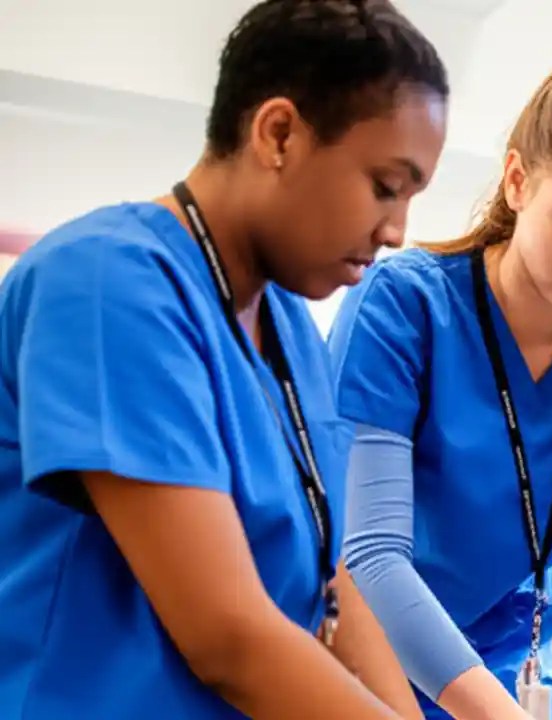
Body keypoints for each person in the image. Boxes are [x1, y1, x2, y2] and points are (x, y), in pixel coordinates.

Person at [0, 1, 448, 718]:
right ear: (278, 134)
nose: (396, 230)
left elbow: (330, 586)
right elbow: (227, 635)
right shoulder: (107, 285)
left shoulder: (289, 325)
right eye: (385, 187)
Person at [327, 52, 552, 720]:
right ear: (518, 180)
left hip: (519, 680)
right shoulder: (402, 307)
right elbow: (371, 555)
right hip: (368, 674)